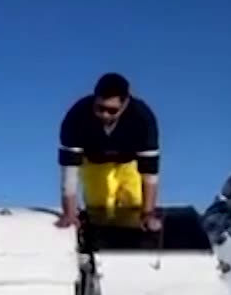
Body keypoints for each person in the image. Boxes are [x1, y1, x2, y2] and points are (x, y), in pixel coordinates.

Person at [56, 72, 162, 232]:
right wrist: (69, 213)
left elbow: (149, 172)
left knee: (133, 205)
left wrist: (148, 213)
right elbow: (69, 171)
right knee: (99, 208)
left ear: (125, 103)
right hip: (94, 164)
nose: (105, 115)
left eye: (112, 110)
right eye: (100, 108)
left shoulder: (142, 119)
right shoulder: (76, 117)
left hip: (128, 164)